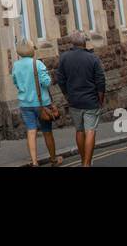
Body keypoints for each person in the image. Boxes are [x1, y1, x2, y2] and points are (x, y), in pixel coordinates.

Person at [56, 31, 107, 167]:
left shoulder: (64, 58)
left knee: (79, 130)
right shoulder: (93, 58)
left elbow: (60, 79)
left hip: (74, 100)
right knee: (90, 130)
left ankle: (83, 159)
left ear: (72, 42)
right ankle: (87, 164)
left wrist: (66, 95)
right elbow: (100, 81)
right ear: (84, 42)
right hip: (91, 100)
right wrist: (100, 99)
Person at [11, 39, 61, 166]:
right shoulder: (38, 64)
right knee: (47, 131)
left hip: (25, 103)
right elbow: (47, 82)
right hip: (42, 103)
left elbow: (16, 83)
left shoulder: (16, 65)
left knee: (31, 131)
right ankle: (53, 159)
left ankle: (34, 162)